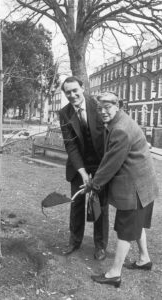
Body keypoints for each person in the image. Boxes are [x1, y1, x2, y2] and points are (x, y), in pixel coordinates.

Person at [82, 92, 159, 287]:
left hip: (135, 190)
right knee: (137, 224)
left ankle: (115, 273)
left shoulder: (121, 129)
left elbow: (111, 164)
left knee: (125, 230)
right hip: (144, 185)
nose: (103, 112)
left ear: (118, 106)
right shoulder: (120, 121)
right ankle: (144, 259)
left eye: (107, 107)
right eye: (99, 108)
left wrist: (93, 184)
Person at [59, 76, 109, 260]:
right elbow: (70, 146)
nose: (72, 95)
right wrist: (82, 172)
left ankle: (100, 246)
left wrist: (102, 171)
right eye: (68, 92)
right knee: (77, 203)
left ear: (83, 87)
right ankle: (74, 241)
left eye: (75, 90)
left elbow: (109, 134)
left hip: (100, 163)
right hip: (78, 165)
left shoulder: (98, 105)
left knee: (100, 204)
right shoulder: (64, 113)